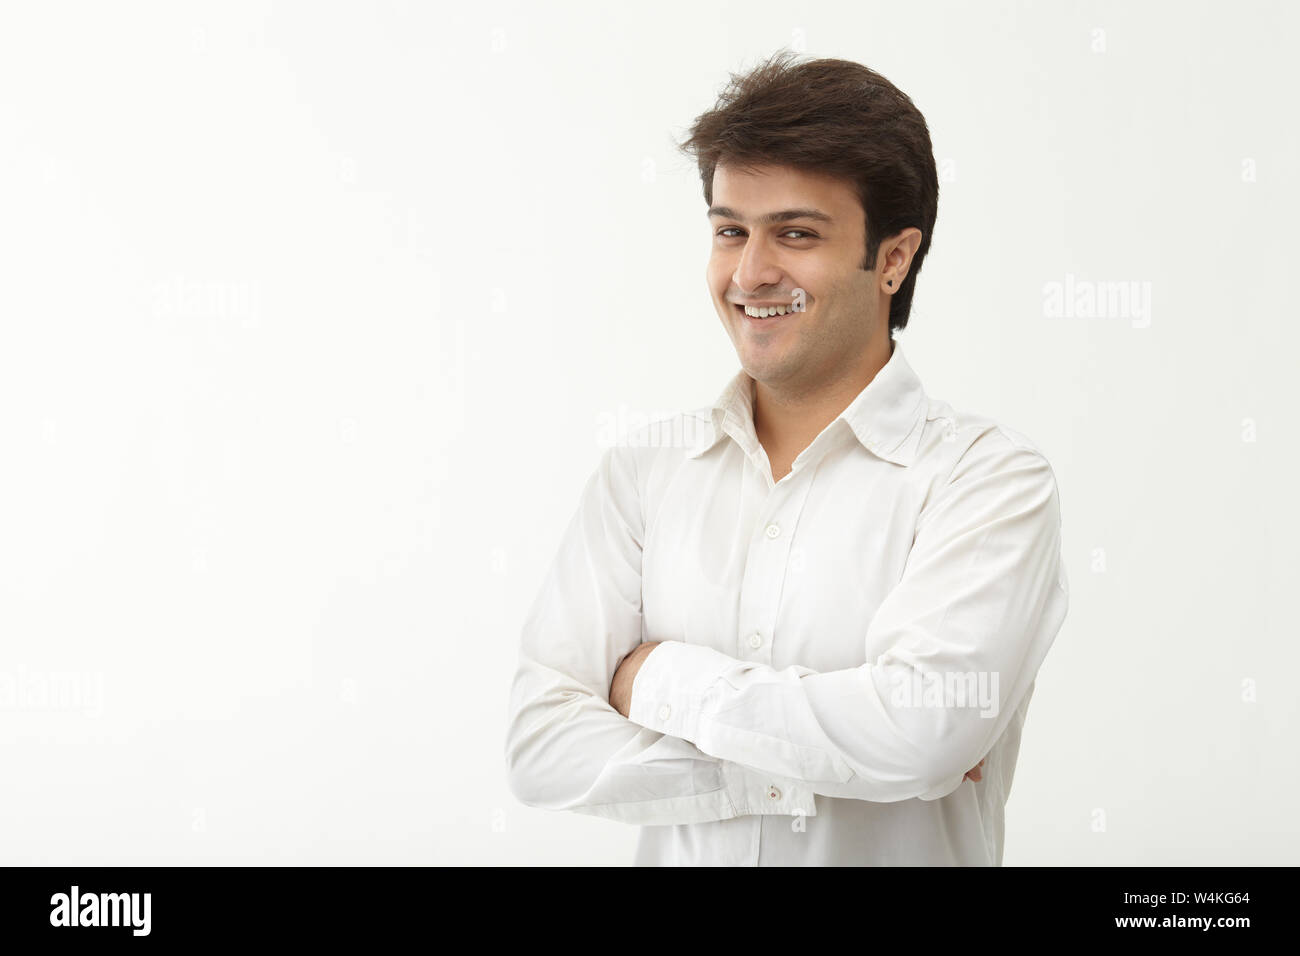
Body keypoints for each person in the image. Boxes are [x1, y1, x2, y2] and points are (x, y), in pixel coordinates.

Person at [504, 50, 1069, 865]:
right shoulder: (644, 475)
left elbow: (921, 733)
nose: (750, 272)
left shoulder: (986, 480)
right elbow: (540, 745)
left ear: (895, 259)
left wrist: (656, 681)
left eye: (795, 234)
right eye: (730, 230)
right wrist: (805, 769)